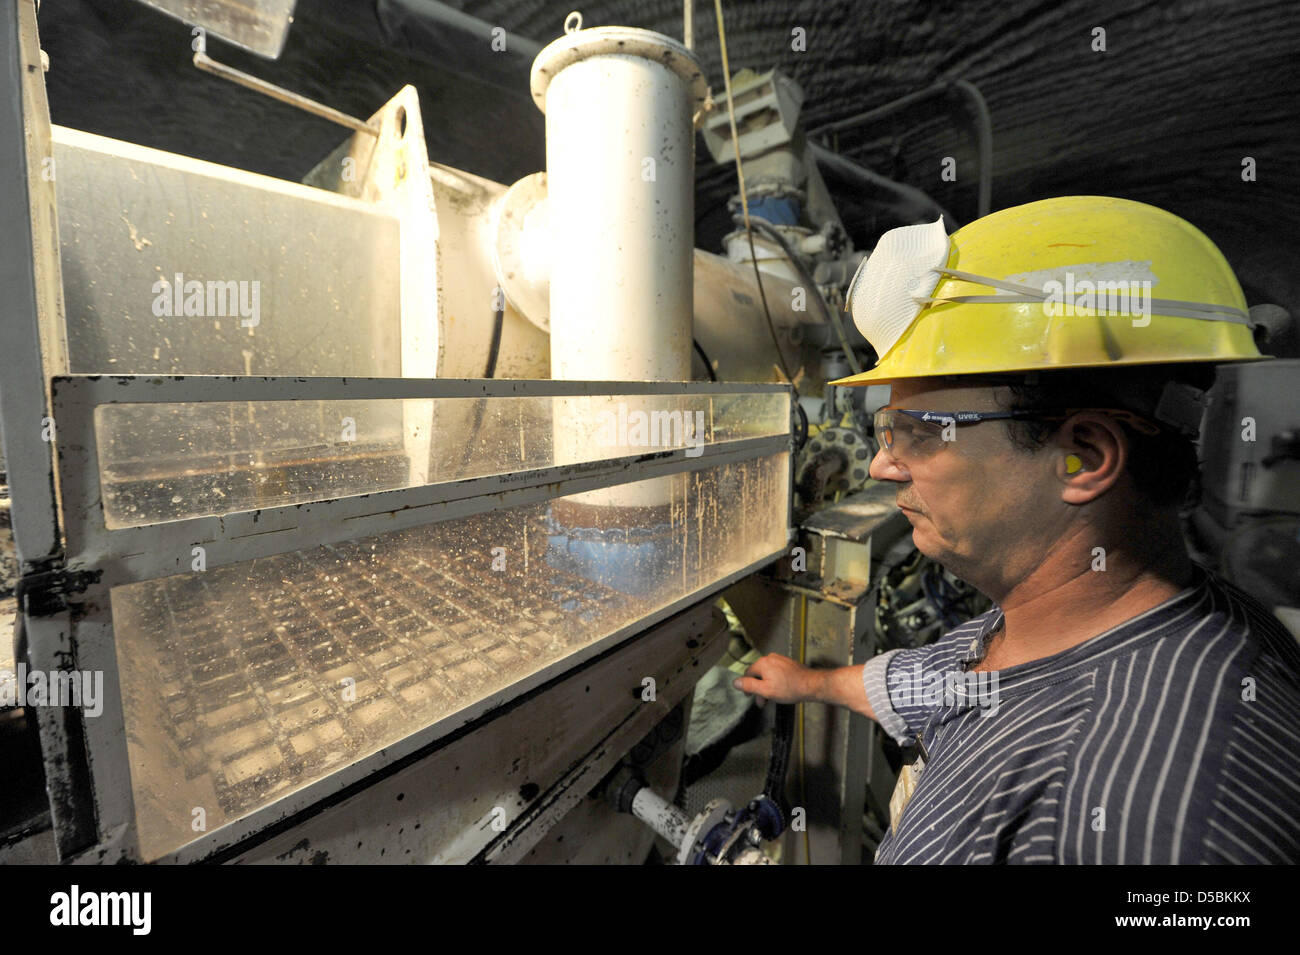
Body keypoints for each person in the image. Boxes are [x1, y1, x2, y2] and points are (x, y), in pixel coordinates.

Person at [734, 196, 1300, 863]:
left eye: (919, 433)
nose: (884, 465)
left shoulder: (1137, 818)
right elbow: (950, 679)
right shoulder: (1059, 620)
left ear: (1083, 455)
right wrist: (812, 683)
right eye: (887, 430)